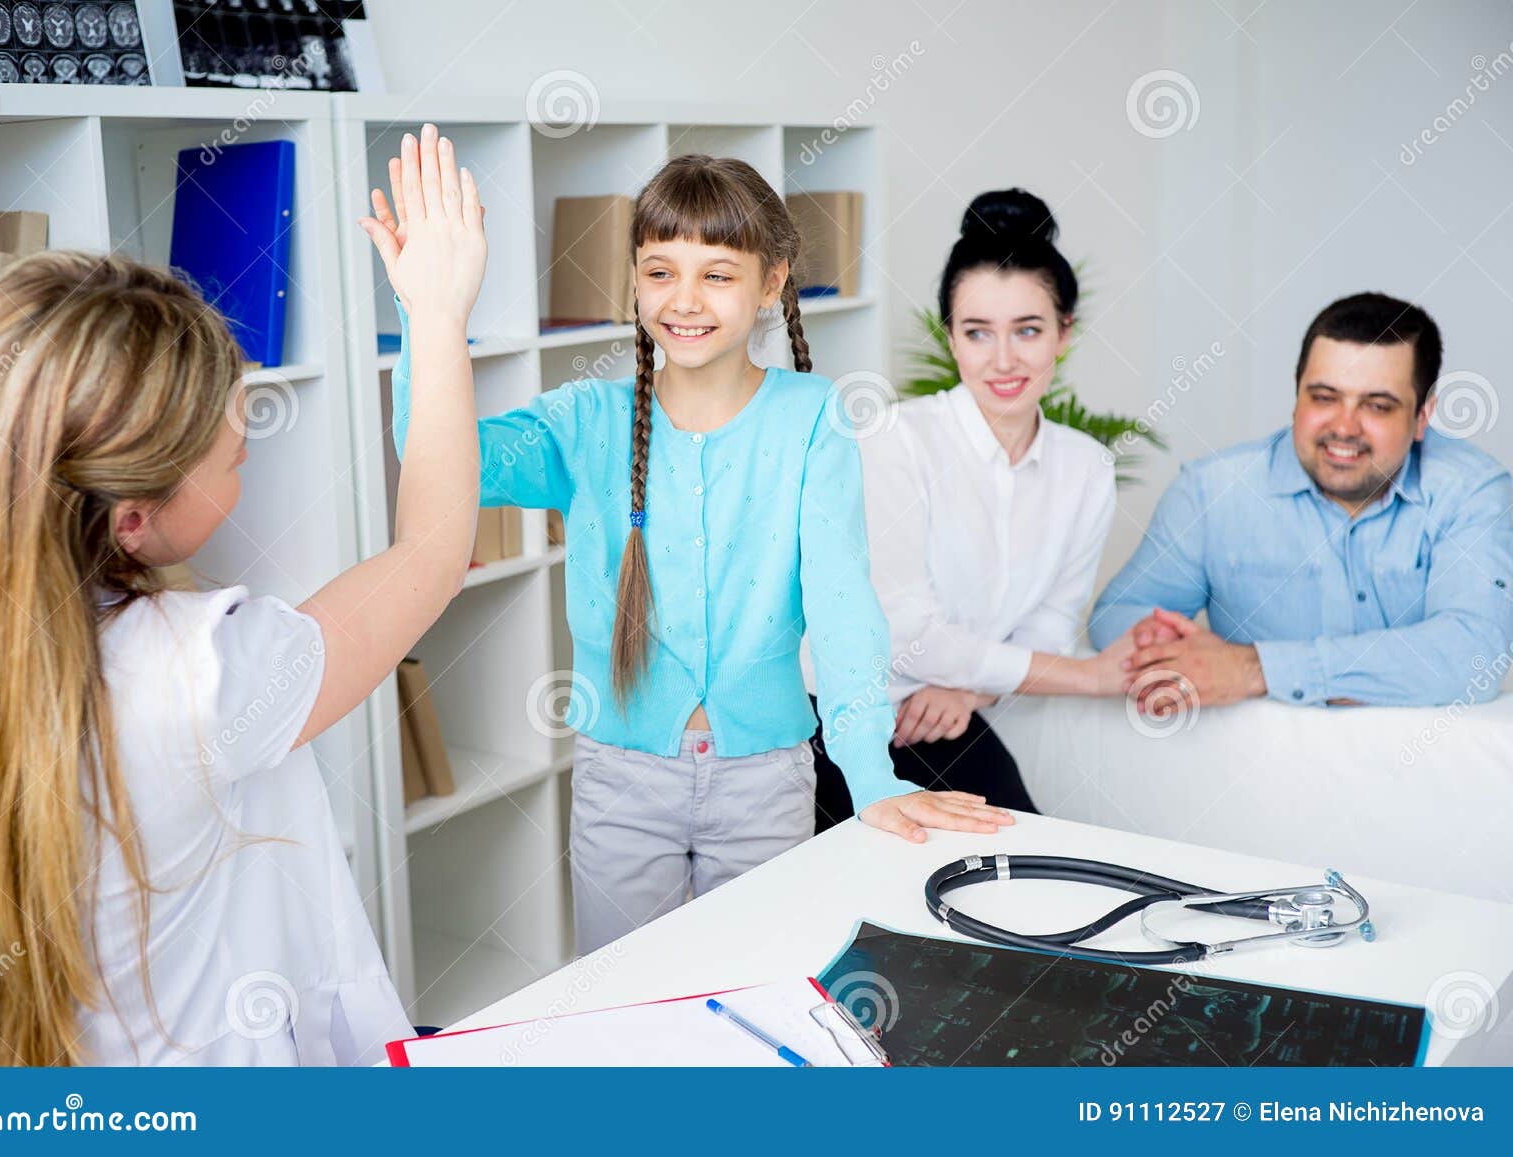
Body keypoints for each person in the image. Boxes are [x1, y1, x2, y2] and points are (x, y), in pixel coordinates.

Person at [0, 124, 482, 1065]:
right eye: (235, 451)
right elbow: (431, 552)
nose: (244, 453)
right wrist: (436, 313)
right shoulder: (205, 669)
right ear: (133, 519)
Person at [382, 154, 1013, 956]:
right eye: (659, 270)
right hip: (620, 780)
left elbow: (843, 602)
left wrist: (869, 772)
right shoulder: (585, 420)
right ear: (636, 280)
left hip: (769, 779)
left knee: (761, 988)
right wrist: (427, 314)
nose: (683, 299)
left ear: (771, 282)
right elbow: (430, 449)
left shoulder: (814, 416)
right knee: (626, 1006)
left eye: (717, 274)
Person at [807, 189, 1125, 830]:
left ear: (1065, 333)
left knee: (1025, 858)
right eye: (978, 332)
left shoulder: (1087, 468)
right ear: (950, 338)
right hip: (837, 723)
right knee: (871, 895)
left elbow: (1051, 624)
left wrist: (968, 690)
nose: (1003, 360)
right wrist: (1091, 678)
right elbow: (906, 633)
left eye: (1028, 331)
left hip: (940, 710)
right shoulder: (894, 441)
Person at [1090, 292, 1513, 710]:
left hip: (1419, 770)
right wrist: (1164, 647)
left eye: (1378, 406)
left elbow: (1473, 654)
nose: (1344, 428)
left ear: (1422, 417)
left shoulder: (1473, 493)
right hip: (1257, 763)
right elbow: (1120, 612)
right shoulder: (1212, 490)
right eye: (1324, 397)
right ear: (1296, 397)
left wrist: (1253, 669)